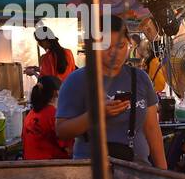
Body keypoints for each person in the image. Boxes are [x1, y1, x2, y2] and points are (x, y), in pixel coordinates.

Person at [56, 17, 167, 169]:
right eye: (105, 46)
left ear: (129, 44)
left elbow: (152, 129)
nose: (114, 53)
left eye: (120, 46)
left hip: (138, 172)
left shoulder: (140, 78)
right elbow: (61, 131)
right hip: (91, 174)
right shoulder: (77, 81)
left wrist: (163, 174)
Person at [22, 76, 73, 160]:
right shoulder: (54, 114)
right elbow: (69, 148)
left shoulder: (31, 113)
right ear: (56, 93)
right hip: (49, 166)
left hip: (29, 163)